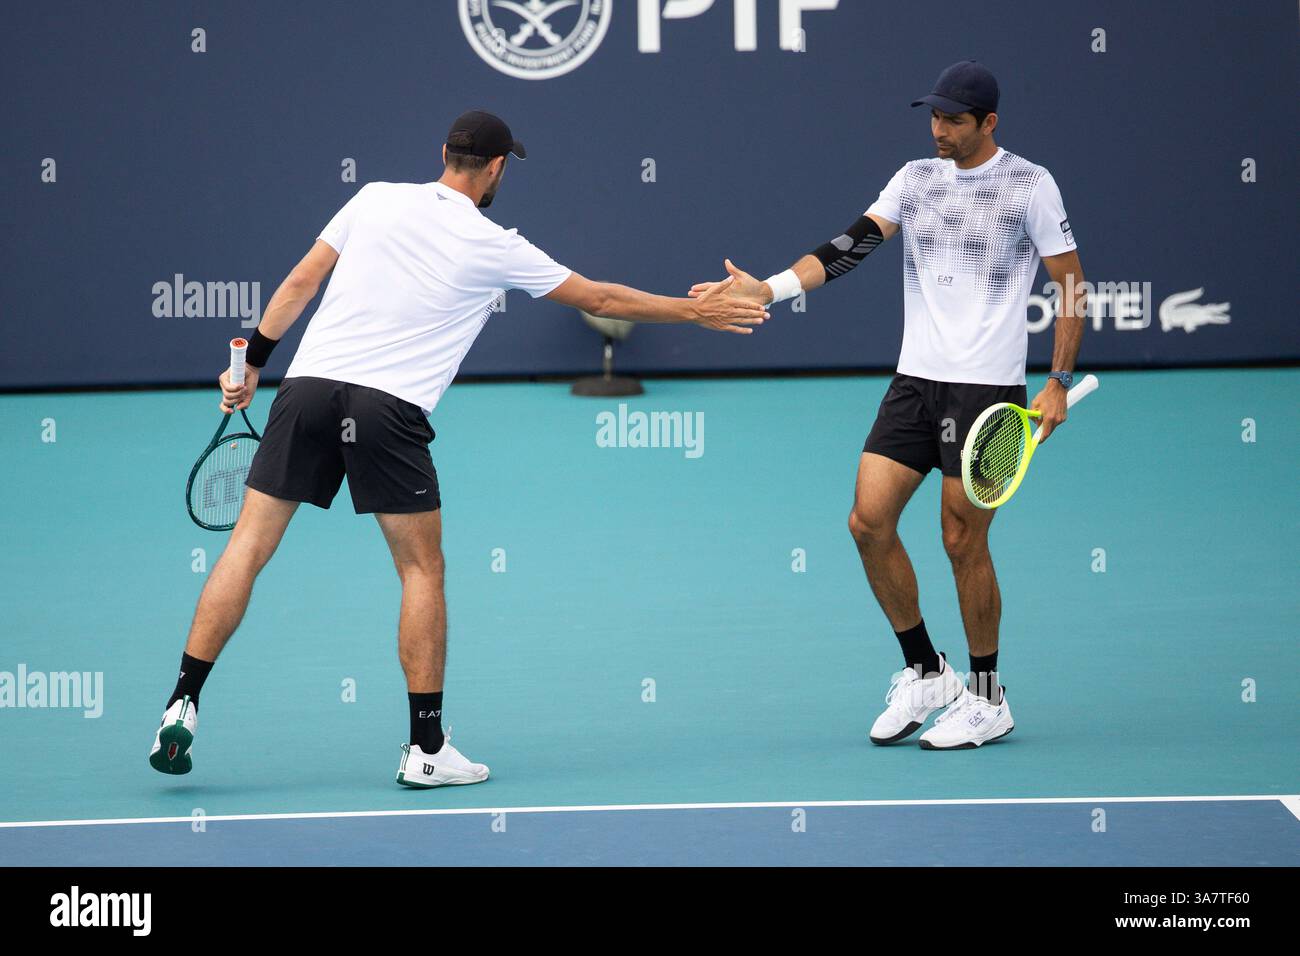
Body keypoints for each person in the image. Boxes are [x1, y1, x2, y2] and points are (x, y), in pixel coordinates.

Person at [149, 110, 767, 787]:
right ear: (498, 168)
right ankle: (426, 750)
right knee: (421, 571)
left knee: (247, 547)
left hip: (307, 391)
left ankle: (183, 700)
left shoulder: (373, 196)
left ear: (444, 153)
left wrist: (255, 363)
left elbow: (300, 282)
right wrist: (698, 309)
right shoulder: (497, 244)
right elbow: (601, 295)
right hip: (386, 410)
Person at [690, 62, 1086, 749]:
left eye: (954, 121)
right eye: (934, 117)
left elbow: (1071, 283)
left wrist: (1057, 378)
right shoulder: (915, 178)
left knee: (963, 541)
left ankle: (988, 697)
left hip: (986, 389)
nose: (939, 130)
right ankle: (926, 670)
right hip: (915, 384)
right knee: (867, 522)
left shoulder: (1031, 184)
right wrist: (770, 289)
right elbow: (851, 246)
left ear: (989, 123)